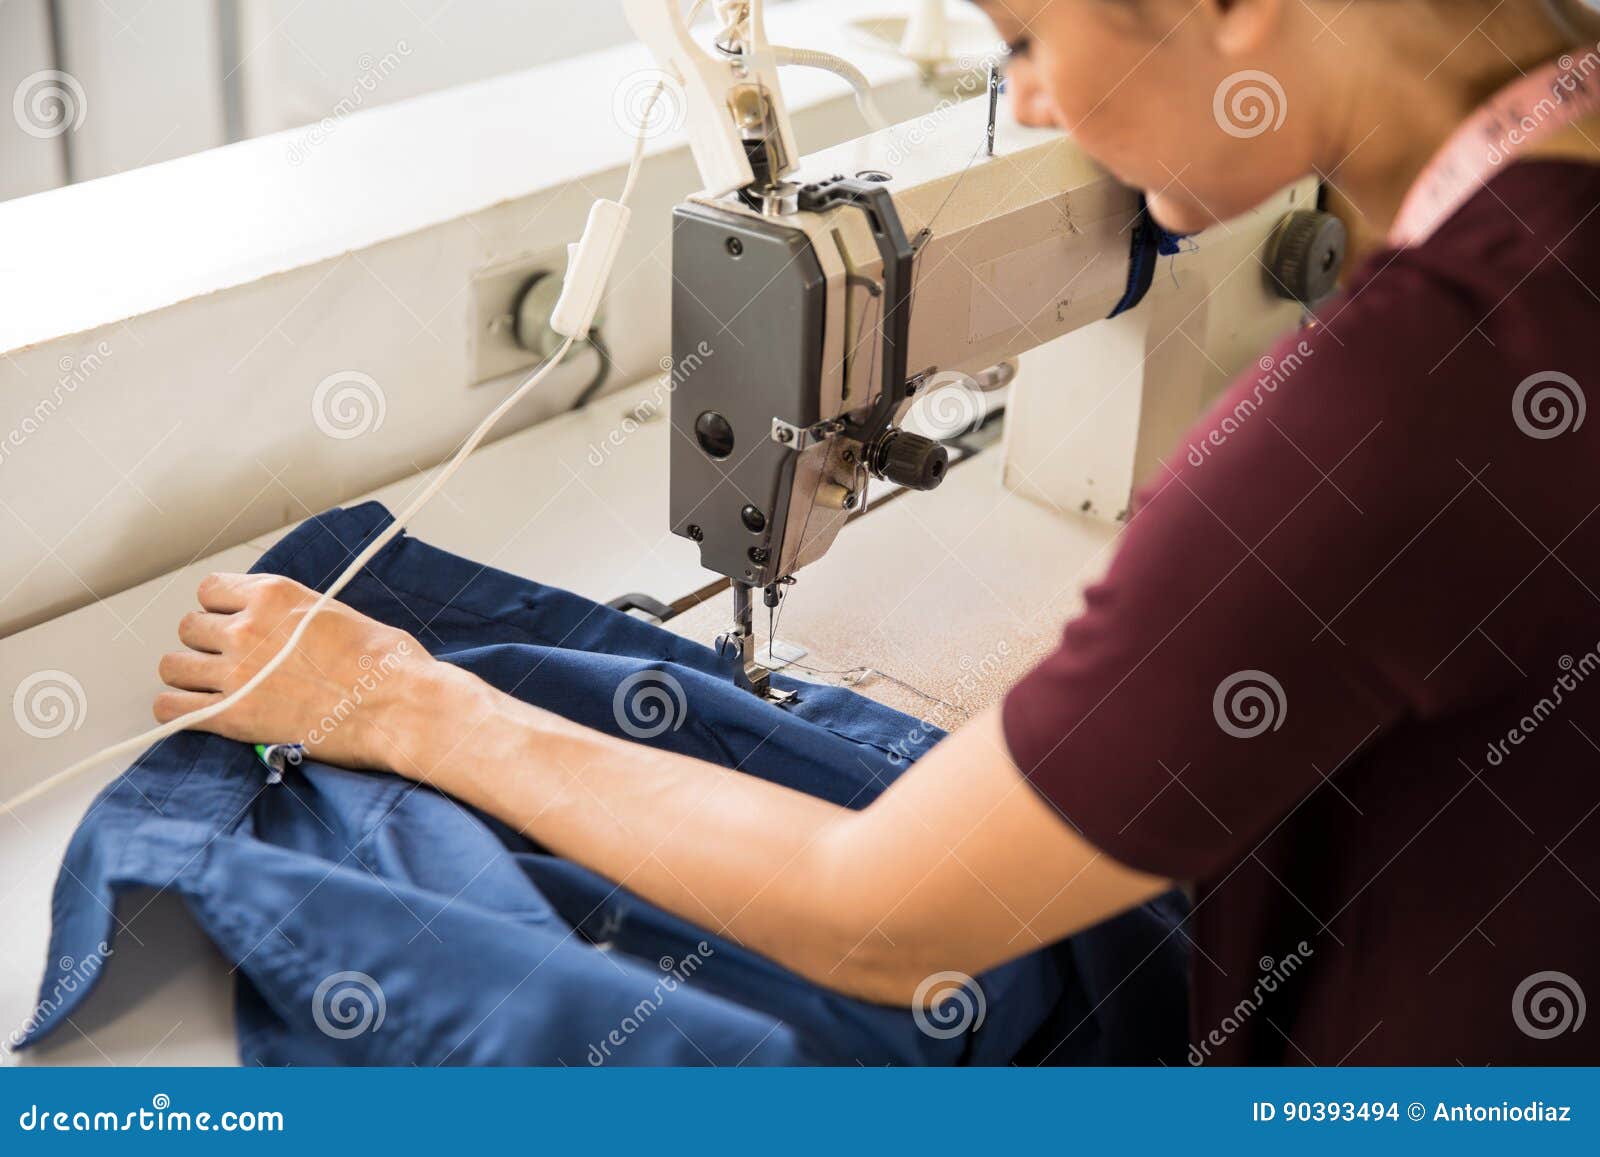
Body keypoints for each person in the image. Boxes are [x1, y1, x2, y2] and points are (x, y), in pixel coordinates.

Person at [154, 0, 1600, 1063]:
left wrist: (407, 704)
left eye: (1025, 37)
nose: (1027, 105)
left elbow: (886, 913)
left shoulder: (1410, 394)